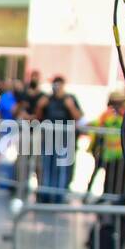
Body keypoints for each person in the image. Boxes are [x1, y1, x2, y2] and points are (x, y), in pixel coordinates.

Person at [33, 74, 83, 204]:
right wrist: (40, 106)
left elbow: (78, 117)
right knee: (47, 166)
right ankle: (45, 194)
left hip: (65, 139)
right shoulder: (47, 99)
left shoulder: (70, 98)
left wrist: (70, 106)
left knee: (62, 167)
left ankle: (59, 195)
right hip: (49, 138)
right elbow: (38, 117)